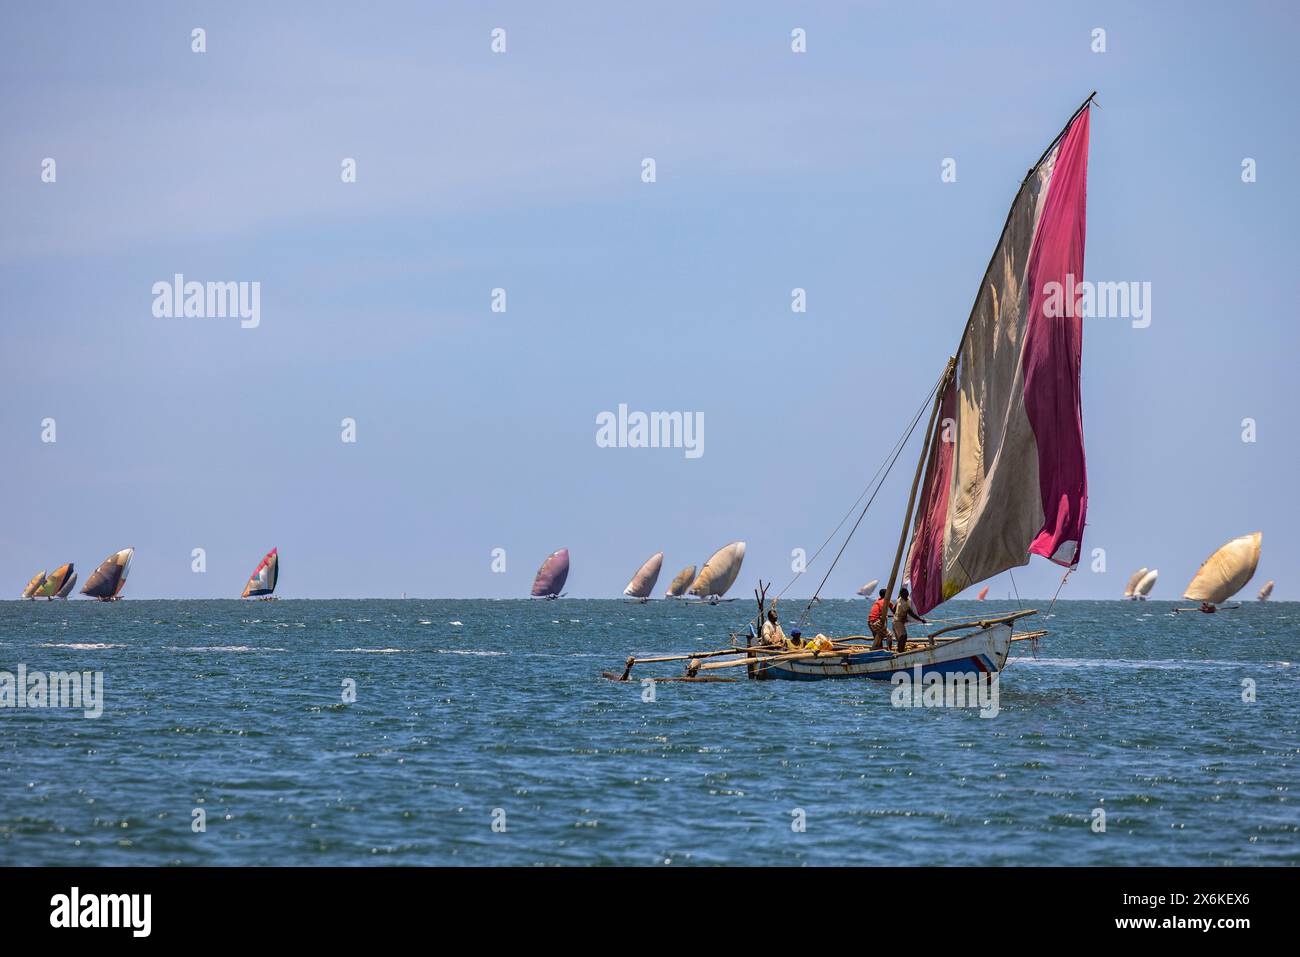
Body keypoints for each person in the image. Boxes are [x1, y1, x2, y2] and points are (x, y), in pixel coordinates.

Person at [892, 587, 927, 653]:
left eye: (907, 594)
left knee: (901, 638)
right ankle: (900, 652)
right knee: (903, 637)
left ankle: (900, 651)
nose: (907, 595)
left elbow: (894, 609)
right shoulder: (904, 604)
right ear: (902, 595)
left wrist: (897, 614)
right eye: (905, 594)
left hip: (896, 621)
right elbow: (911, 613)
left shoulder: (899, 599)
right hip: (898, 622)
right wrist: (921, 620)